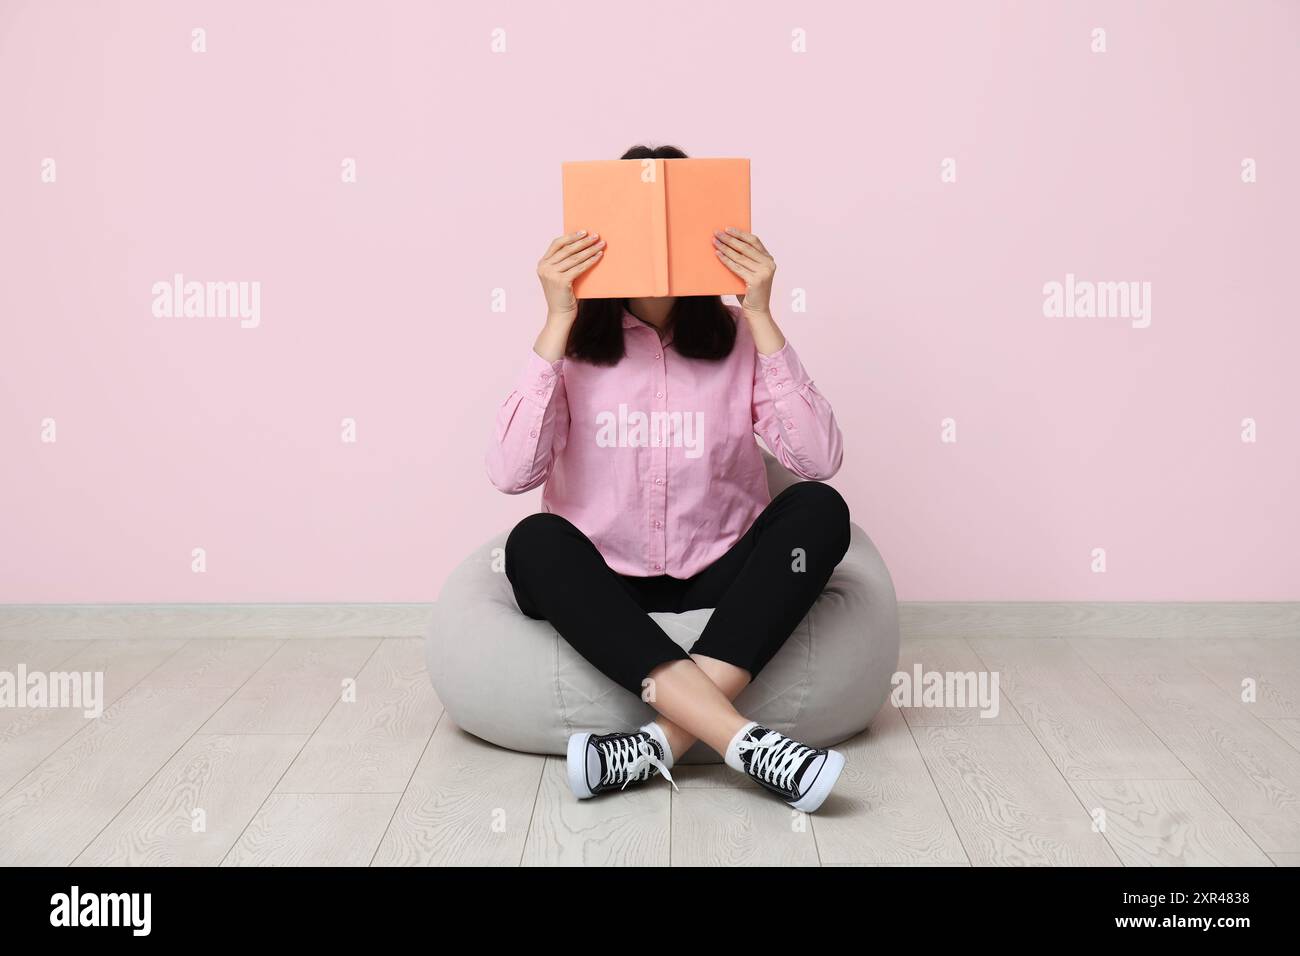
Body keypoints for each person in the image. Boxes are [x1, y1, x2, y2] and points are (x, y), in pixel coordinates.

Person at [486, 145, 850, 813]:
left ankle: (655, 745)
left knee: (820, 511)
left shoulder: (740, 336)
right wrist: (557, 319)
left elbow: (818, 458)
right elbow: (510, 473)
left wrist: (763, 314)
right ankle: (748, 742)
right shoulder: (570, 348)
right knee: (533, 542)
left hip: (717, 569)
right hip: (605, 579)